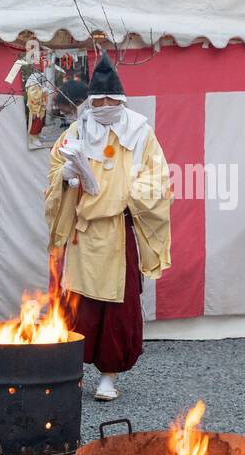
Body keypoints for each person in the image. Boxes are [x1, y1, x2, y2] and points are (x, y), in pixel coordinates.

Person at [44, 54, 172, 401]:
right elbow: (55, 168)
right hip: (83, 234)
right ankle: (72, 370)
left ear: (121, 100)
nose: (103, 106)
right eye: (97, 101)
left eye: (109, 100)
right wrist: (66, 178)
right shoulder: (77, 130)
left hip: (117, 231)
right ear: (89, 101)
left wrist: (124, 193)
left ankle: (108, 376)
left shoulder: (140, 132)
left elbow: (158, 179)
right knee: (77, 303)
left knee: (116, 309)